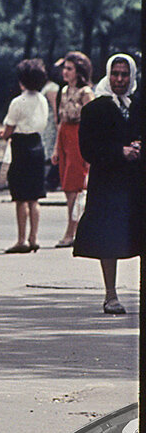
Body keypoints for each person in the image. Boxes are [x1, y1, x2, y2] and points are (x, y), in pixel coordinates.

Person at [73, 53, 141, 315]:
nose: (120, 79)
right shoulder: (95, 108)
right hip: (108, 183)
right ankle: (110, 294)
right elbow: (88, 148)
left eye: (125, 74)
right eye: (115, 74)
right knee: (109, 238)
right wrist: (119, 152)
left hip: (136, 182)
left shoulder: (139, 105)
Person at [0, 59, 49, 253]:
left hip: (20, 146)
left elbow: (8, 129)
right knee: (34, 197)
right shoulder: (42, 99)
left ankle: (21, 240)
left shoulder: (18, 102)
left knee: (20, 197)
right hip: (37, 144)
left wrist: (3, 135)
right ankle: (33, 237)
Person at [51, 51, 94, 246]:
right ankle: (73, 227)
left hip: (79, 136)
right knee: (67, 186)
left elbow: (92, 122)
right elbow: (60, 120)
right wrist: (55, 148)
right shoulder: (64, 91)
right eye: (64, 68)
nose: (65, 72)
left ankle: (72, 231)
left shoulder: (86, 93)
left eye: (69, 69)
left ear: (79, 71)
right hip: (65, 136)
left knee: (76, 186)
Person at [41, 59, 61, 190]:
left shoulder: (52, 88)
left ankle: (52, 180)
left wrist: (56, 124)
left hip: (51, 125)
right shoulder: (47, 86)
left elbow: (55, 108)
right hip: (45, 124)